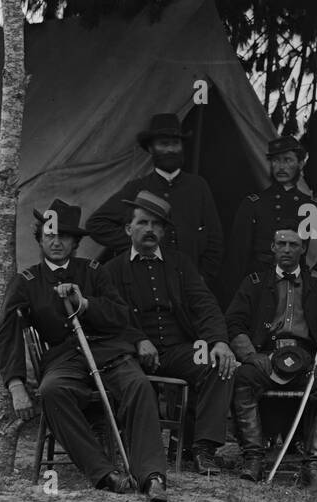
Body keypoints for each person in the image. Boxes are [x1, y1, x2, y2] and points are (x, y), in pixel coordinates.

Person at [0, 198, 169, 502]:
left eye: (64, 236)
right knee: (52, 392)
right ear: (40, 238)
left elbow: (119, 315)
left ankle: (152, 476)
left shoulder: (94, 271)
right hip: (63, 359)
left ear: (75, 242)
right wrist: (16, 384)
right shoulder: (26, 281)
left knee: (139, 386)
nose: (56, 242)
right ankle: (104, 474)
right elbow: (6, 333)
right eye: (49, 235)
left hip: (108, 353)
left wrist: (85, 304)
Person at [98, 190, 237, 475]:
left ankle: (202, 449)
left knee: (217, 366)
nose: (150, 230)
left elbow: (205, 303)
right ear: (128, 229)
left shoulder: (180, 263)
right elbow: (111, 317)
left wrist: (219, 342)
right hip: (133, 354)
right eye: (143, 223)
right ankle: (136, 448)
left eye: (157, 225)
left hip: (178, 349)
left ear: (163, 231)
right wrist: (138, 340)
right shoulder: (112, 270)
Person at [224, 222, 317, 487]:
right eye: (281, 244)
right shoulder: (254, 283)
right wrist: (250, 355)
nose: (286, 249)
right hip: (266, 360)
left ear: (303, 249)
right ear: (272, 248)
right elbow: (233, 323)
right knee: (243, 379)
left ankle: (313, 466)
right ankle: (254, 458)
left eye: (293, 244)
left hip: (307, 364)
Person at [86, 112, 224, 285]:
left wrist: (203, 276)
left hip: (188, 285)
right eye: (163, 144)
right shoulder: (136, 188)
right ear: (151, 148)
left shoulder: (198, 186)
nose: (170, 150)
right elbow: (96, 225)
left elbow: (215, 238)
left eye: (175, 143)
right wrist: (140, 240)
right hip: (146, 283)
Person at [220, 134, 317, 298]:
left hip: (294, 289)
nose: (281, 166)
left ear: (300, 164)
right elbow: (236, 257)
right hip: (256, 288)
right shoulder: (253, 203)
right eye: (276, 160)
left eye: (287, 160)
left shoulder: (310, 206)